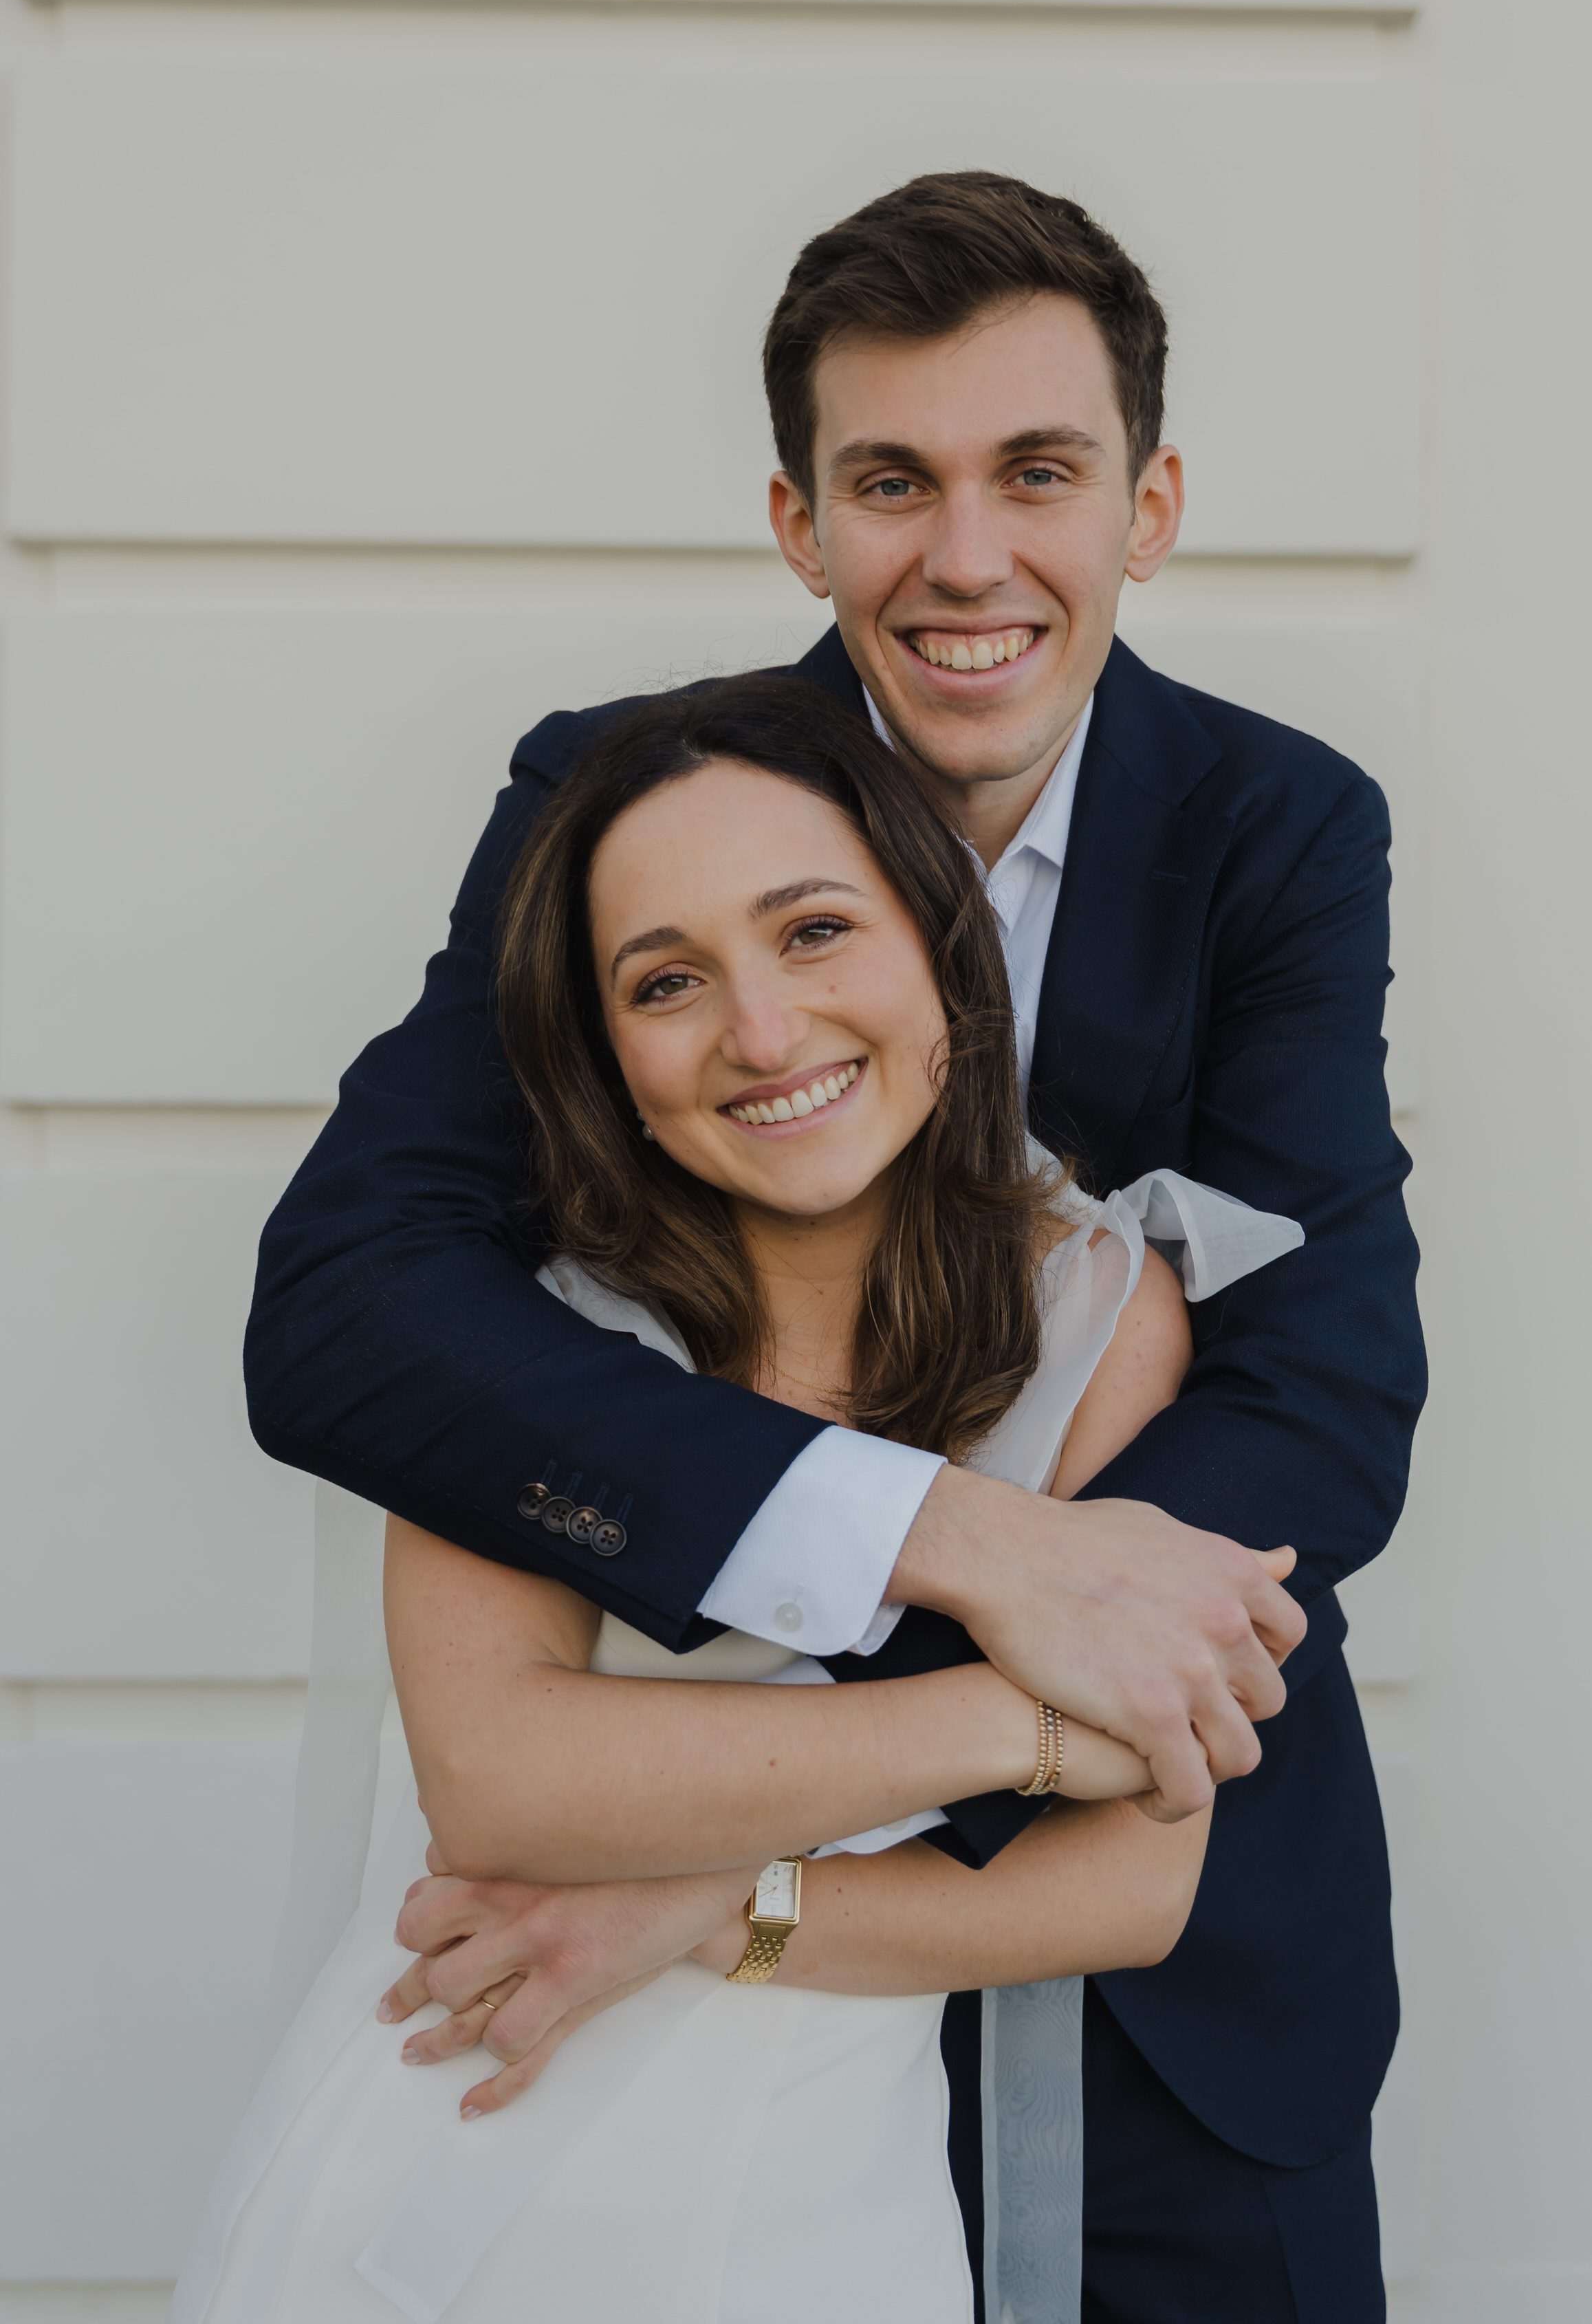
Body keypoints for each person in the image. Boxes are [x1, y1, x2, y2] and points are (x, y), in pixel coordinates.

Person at [244, 172, 1426, 2318]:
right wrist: (959, 1551)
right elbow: (350, 1310)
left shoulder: (1281, 829)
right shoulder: (617, 813)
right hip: (628, 2010)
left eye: (1038, 474)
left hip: (1149, 1936)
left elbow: (1322, 1400)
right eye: (892, 481)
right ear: (799, 521)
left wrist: (748, 1863)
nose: (967, 558)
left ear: (1147, 505)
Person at [178, 680, 1305, 2322]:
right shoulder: (530, 1335)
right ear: (609, 1059)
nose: (762, 1035)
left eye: (816, 931)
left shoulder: (1101, 1318)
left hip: (823, 2201)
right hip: (451, 2113)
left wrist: (718, 1899)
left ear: (943, 948)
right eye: (668, 981)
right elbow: (498, 1784)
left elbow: (1131, 1890)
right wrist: (1036, 1728)